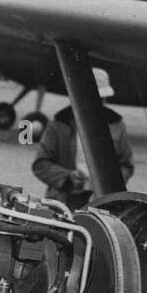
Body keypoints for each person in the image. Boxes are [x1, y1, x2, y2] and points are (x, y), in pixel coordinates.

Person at [32, 69, 133, 210]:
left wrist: (108, 184)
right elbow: (40, 164)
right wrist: (68, 177)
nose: (98, 104)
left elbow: (126, 165)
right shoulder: (59, 124)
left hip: (103, 201)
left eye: (102, 99)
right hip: (65, 200)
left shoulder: (117, 126)